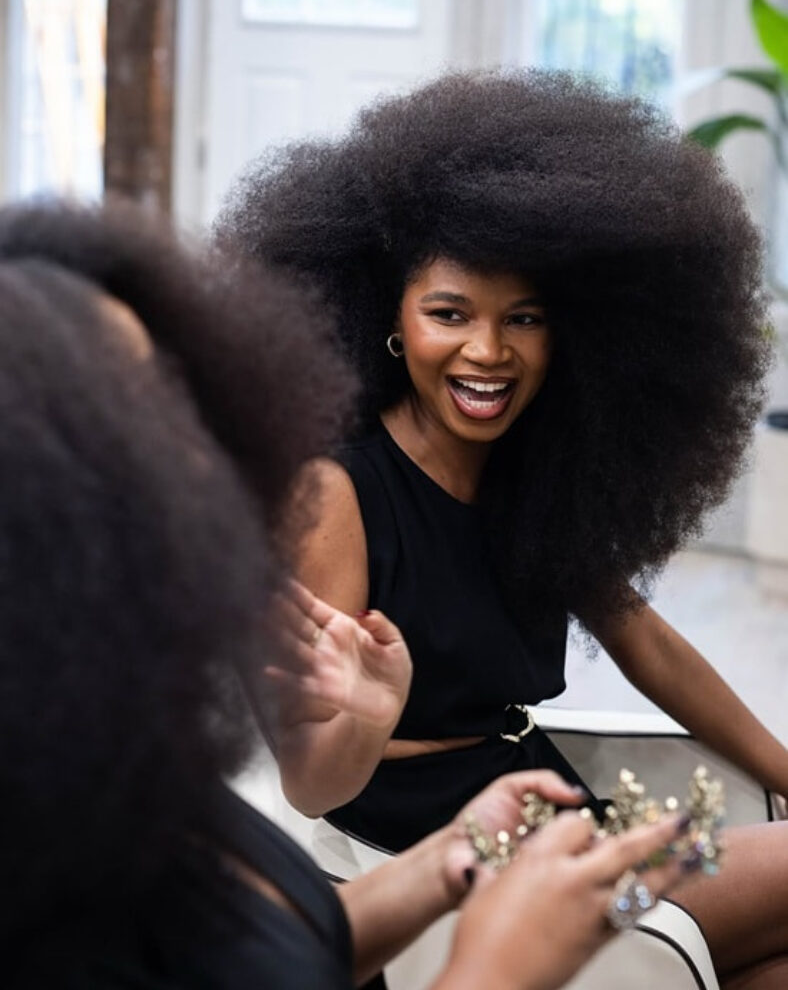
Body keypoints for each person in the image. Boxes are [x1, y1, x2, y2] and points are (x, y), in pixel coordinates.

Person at [0, 200, 693, 990]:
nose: (204, 437)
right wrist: (496, 967)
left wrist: (445, 860)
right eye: (138, 411)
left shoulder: (120, 764)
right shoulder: (40, 859)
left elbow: (289, 960)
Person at [218, 69, 788, 988]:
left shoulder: (533, 476)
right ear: (389, 322)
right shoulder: (338, 491)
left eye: (523, 319)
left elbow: (649, 644)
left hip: (545, 816)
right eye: (450, 314)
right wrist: (365, 716)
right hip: (435, 857)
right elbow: (312, 783)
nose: (488, 352)